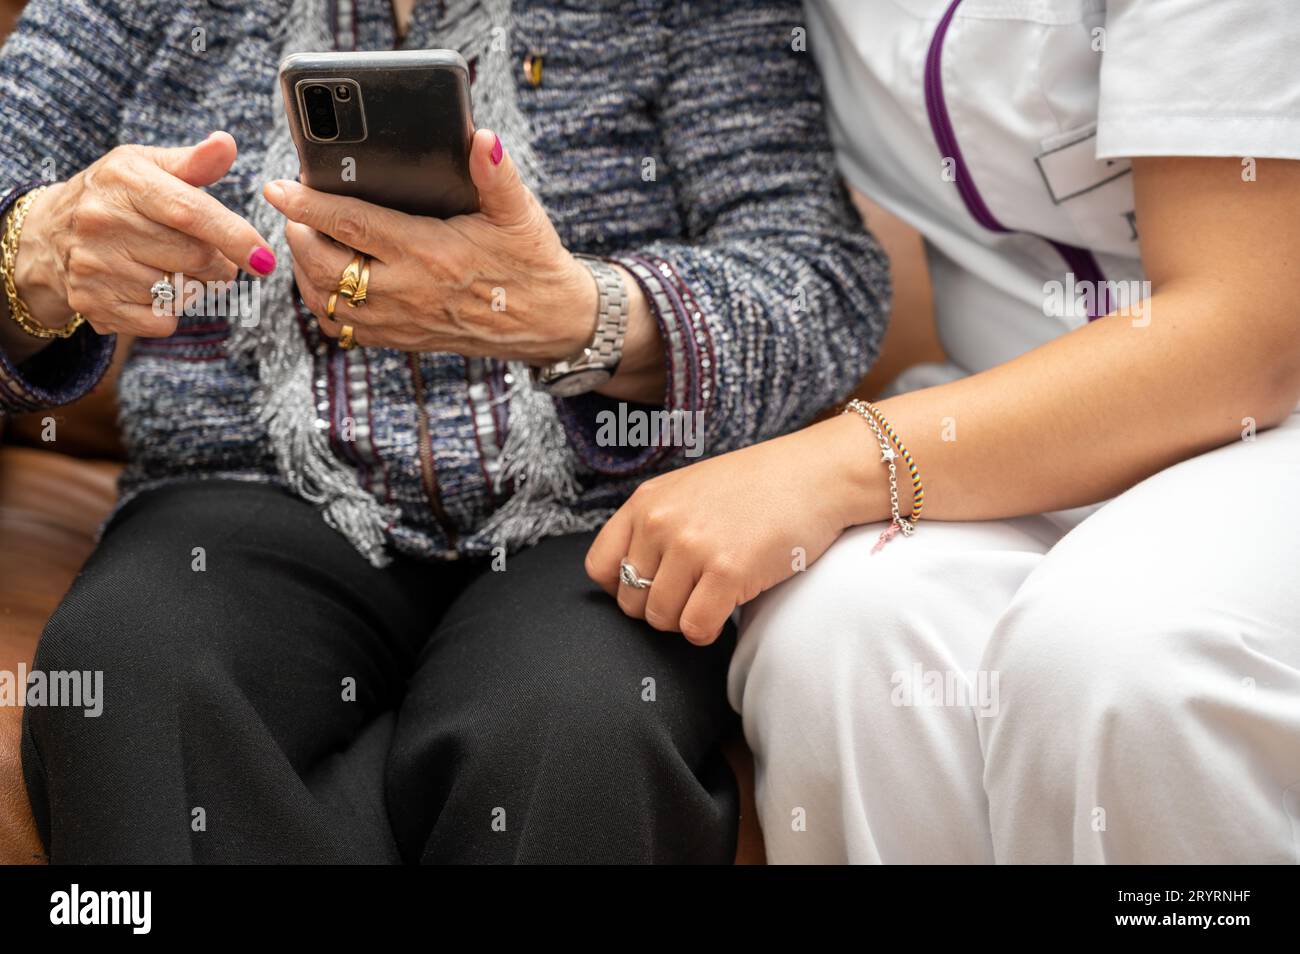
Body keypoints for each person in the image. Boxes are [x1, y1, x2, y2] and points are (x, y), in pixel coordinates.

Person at [0, 0, 889, 863]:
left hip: (597, 513)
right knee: (134, 665)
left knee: (578, 727)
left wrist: (589, 316)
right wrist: (32, 256)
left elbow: (820, 279)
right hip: (245, 491)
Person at [589, 0, 1300, 863]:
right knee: (842, 635)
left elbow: (1245, 340)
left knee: (1111, 657)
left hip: (1268, 414)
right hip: (999, 404)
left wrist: (835, 464)